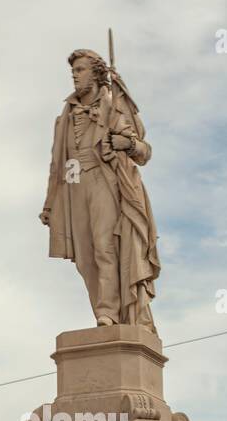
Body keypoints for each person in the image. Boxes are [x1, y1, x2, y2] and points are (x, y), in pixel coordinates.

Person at [40, 48, 160, 329]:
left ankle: (108, 313)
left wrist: (126, 144)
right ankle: (103, 310)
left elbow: (144, 151)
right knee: (84, 256)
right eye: (73, 70)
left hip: (103, 181)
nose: (74, 75)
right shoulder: (66, 114)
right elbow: (56, 164)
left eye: (80, 70)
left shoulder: (112, 106)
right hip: (73, 185)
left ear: (95, 74)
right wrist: (49, 203)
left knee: (105, 247)